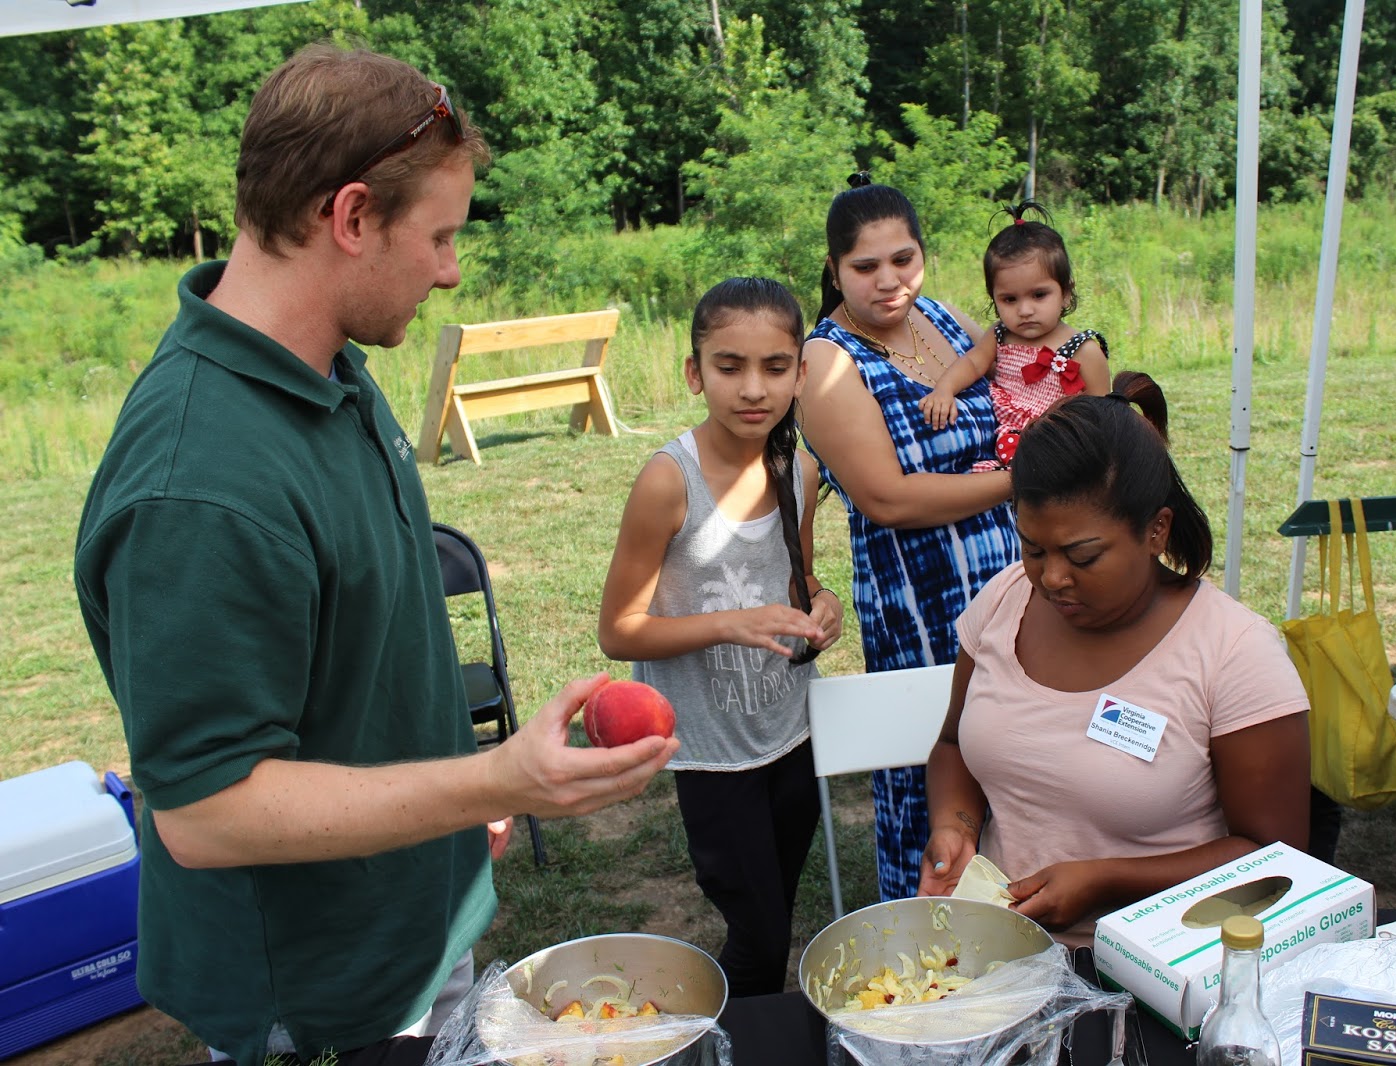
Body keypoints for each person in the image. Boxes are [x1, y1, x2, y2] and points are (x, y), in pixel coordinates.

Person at [73, 45, 677, 1066]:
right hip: (319, 1002)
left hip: (408, 927)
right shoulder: (199, 484)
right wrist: (492, 780)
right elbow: (208, 813)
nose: (449, 269)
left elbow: (363, 636)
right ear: (350, 217)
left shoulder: (328, 368)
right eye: (438, 236)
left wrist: (455, 798)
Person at [917, 372, 1311, 944]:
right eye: (1033, 549)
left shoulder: (1234, 654)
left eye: (1083, 554)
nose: (1051, 578)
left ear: (1156, 530)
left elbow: (1275, 860)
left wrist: (1108, 881)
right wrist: (956, 827)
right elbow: (953, 744)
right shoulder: (1004, 601)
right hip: (999, 944)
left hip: (1163, 965)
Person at [597, 277, 843, 997]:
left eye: (774, 367)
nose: (752, 389)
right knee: (761, 938)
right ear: (693, 371)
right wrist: (732, 623)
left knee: (774, 916)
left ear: (801, 372)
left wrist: (824, 606)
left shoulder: (797, 467)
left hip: (793, 734)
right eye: (729, 366)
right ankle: (713, 1034)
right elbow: (619, 631)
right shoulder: (667, 483)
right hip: (712, 755)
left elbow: (800, 580)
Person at [800, 173, 1019, 902]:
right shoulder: (826, 362)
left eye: (905, 259)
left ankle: (1030, 912)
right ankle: (937, 940)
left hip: (1016, 585)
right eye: (866, 267)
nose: (890, 281)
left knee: (1020, 750)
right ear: (834, 270)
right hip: (923, 602)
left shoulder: (947, 320)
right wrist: (1026, 482)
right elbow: (887, 498)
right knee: (941, 757)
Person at [918, 201, 1112, 467]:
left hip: (1066, 452)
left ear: (1066, 292)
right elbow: (974, 362)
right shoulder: (1000, 335)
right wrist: (944, 389)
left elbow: (1106, 414)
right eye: (1010, 299)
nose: (1025, 310)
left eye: (1039, 295)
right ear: (994, 299)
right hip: (1007, 447)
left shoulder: (1083, 349)